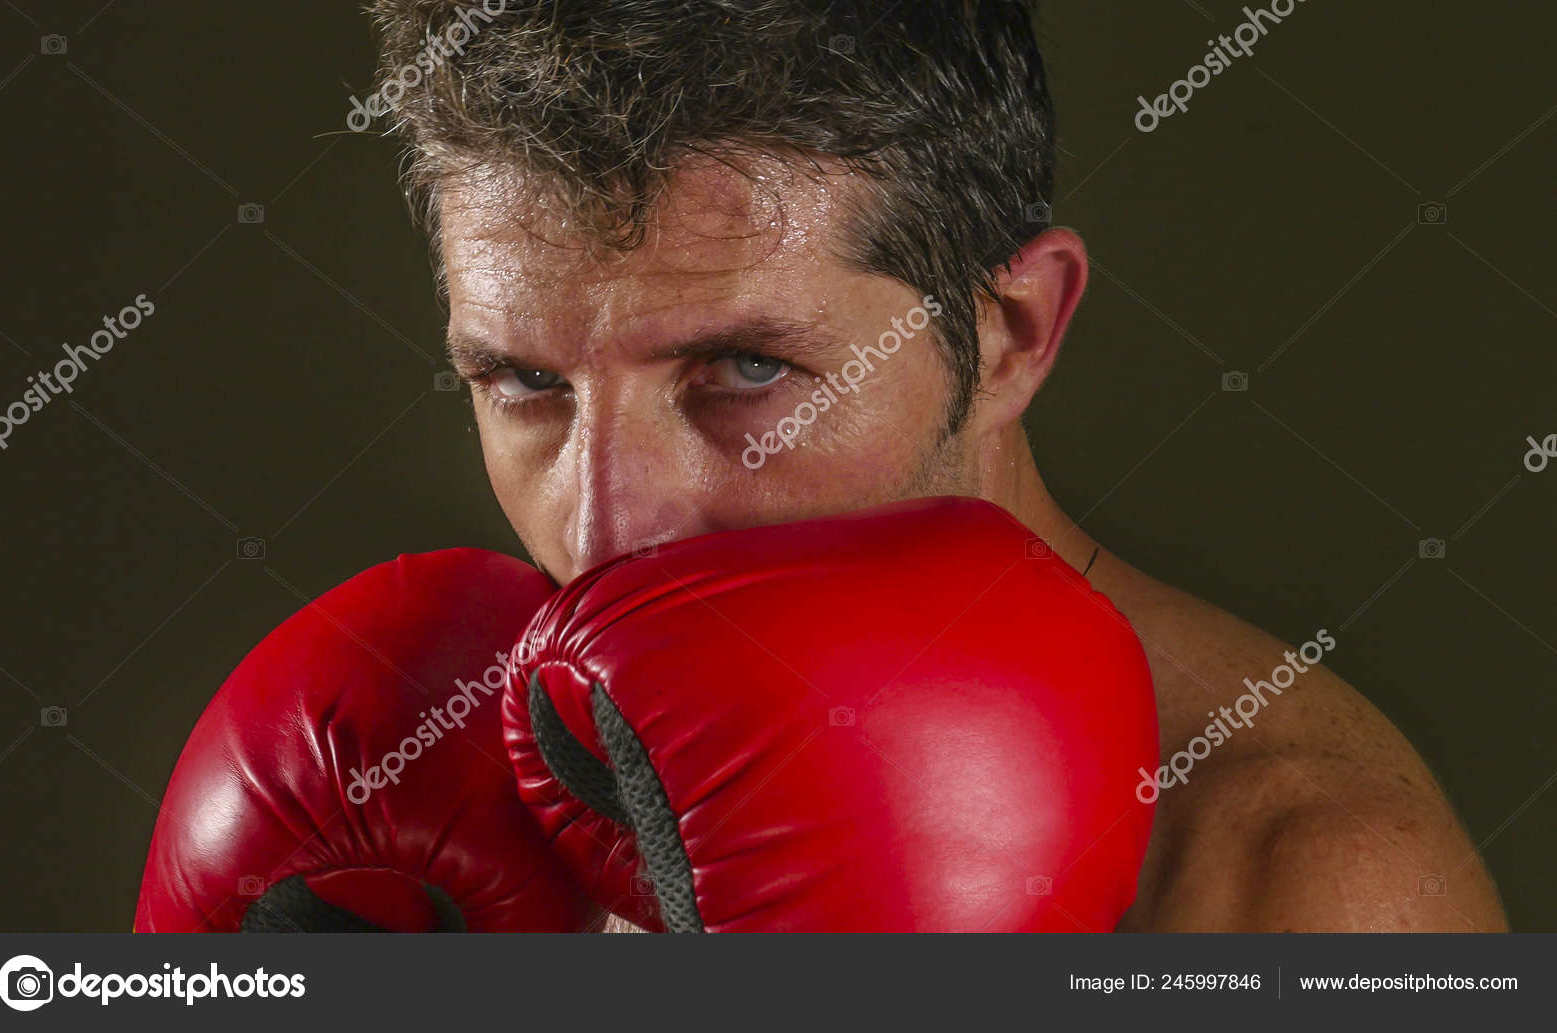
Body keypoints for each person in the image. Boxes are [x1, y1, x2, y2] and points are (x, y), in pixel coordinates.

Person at [363, 0, 1505, 931]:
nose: (606, 530)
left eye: (745, 365)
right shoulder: (451, 783)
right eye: (525, 383)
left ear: (1011, 333)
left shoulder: (1301, 877)